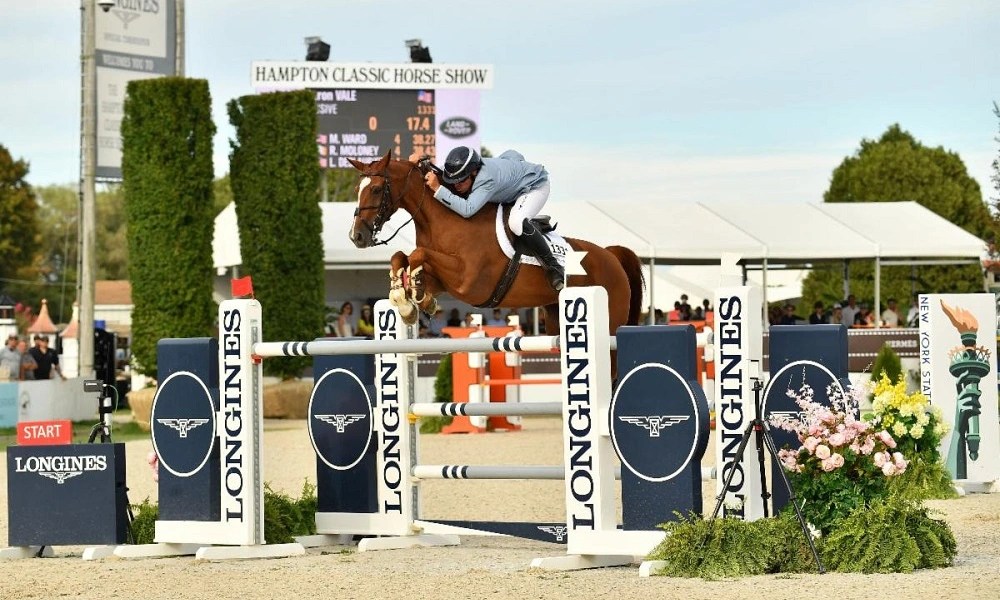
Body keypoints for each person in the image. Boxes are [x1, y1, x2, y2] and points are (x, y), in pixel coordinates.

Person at [420, 146, 564, 291]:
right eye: (454, 181)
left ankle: (554, 267)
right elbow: (445, 172)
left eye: (461, 181)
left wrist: (438, 190)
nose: (456, 185)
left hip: (535, 186)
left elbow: (467, 209)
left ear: (474, 172)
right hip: (510, 172)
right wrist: (420, 164)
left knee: (516, 222)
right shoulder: (470, 170)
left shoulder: (486, 180)